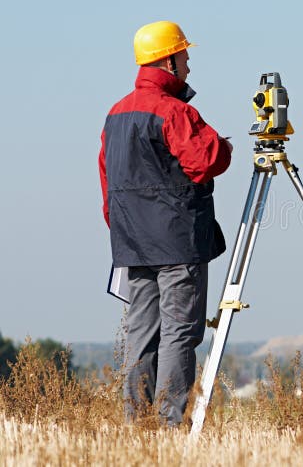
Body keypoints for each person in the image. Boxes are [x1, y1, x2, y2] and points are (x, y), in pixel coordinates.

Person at [98, 21, 233, 426]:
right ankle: (170, 426)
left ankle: (136, 425)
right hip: (176, 244)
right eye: (185, 57)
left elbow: (108, 181)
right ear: (168, 60)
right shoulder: (174, 111)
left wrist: (125, 229)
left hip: (132, 244)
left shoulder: (116, 114)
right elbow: (205, 160)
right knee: (179, 333)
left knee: (141, 335)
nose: (189, 65)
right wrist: (224, 146)